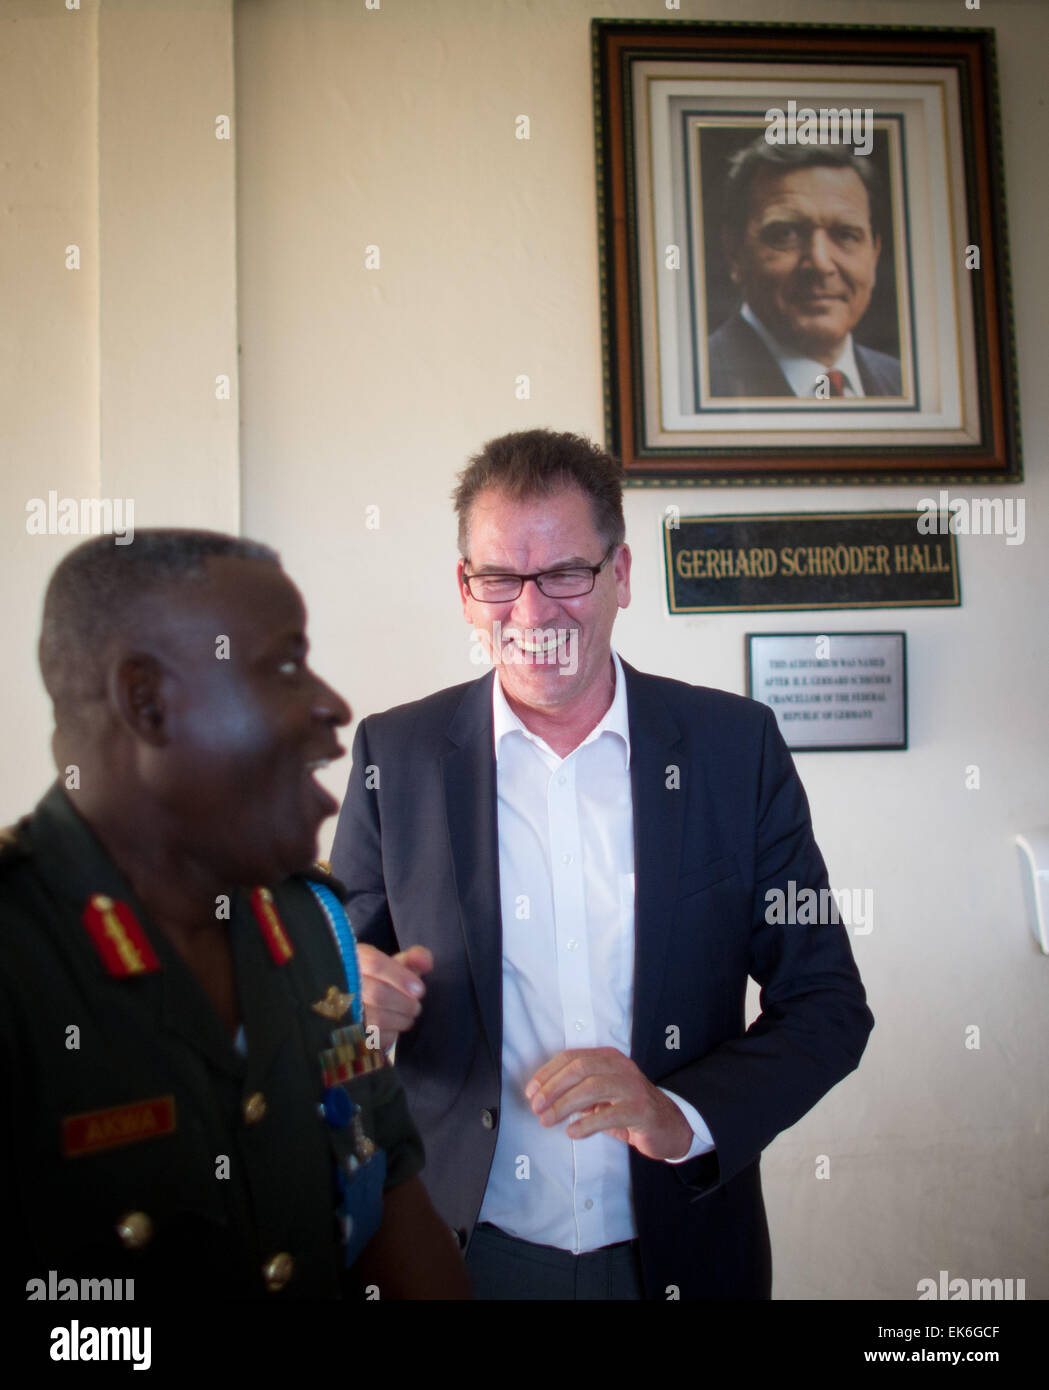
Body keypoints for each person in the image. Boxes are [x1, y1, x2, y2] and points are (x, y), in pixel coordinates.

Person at [331, 429, 874, 1299]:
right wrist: (357, 1012)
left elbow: (827, 1005)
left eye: (566, 575)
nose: (533, 613)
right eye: (501, 579)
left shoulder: (735, 750)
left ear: (621, 574)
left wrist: (678, 1117)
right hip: (455, 1254)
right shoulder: (391, 757)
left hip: (680, 1250)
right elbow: (336, 1008)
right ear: (466, 592)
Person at [0, 530, 471, 1301]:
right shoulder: (20, 955)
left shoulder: (307, 924)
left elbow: (386, 1190)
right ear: (146, 701)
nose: (333, 704)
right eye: (285, 665)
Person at [707, 141, 902, 400]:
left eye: (846, 235)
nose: (821, 264)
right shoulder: (693, 383)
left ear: (874, 253)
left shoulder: (903, 382)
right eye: (786, 234)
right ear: (735, 254)